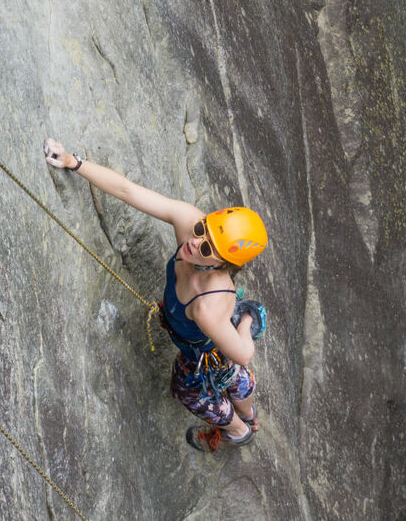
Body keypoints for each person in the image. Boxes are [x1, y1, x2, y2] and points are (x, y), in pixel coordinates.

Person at [43, 138, 267, 452]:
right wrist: (73, 162)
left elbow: (242, 353)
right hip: (213, 332)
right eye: (203, 228)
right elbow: (128, 191)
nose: (194, 241)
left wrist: (244, 321)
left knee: (190, 389)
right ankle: (248, 410)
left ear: (221, 263)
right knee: (233, 374)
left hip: (205, 348)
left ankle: (238, 429)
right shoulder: (188, 222)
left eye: (206, 248)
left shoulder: (206, 307)